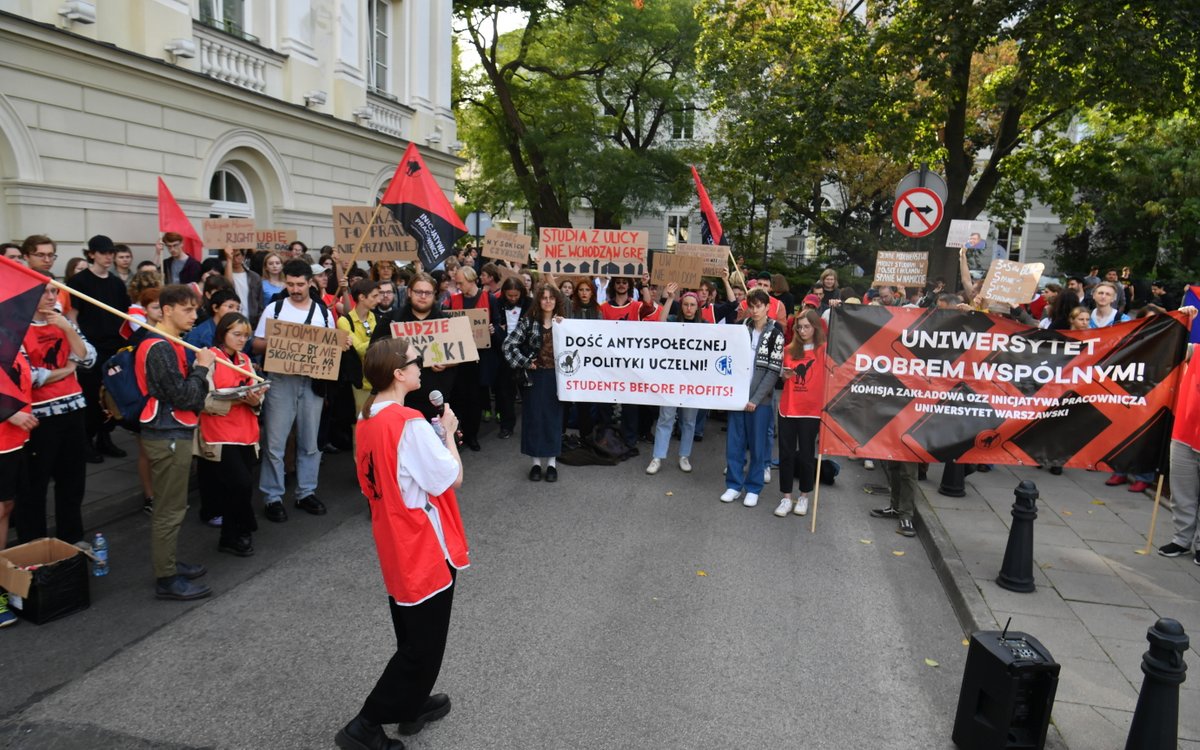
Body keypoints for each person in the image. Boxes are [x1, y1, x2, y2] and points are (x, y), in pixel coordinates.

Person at [340, 337, 465, 750]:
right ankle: (366, 724)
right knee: (422, 647)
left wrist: (432, 440)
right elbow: (451, 478)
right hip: (421, 545)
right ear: (398, 373)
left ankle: (411, 705)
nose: (420, 367)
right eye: (415, 362)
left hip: (393, 540)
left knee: (411, 632)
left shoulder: (368, 419)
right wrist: (446, 434)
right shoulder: (407, 423)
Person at [139, 284, 215, 600]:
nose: (193, 316)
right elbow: (184, 395)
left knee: (173, 506)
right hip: (166, 433)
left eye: (195, 309)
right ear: (167, 310)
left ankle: (168, 562)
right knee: (169, 509)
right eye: (187, 309)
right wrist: (201, 368)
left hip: (172, 432)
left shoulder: (168, 342)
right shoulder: (158, 347)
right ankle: (166, 578)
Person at [254, 259, 343, 523]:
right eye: (290, 284)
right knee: (275, 441)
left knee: (309, 441)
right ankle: (272, 496)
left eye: (300, 284)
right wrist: (282, 342)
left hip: (312, 381)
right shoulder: (274, 309)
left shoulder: (323, 313)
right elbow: (257, 344)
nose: (295, 289)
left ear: (309, 283)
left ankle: (306, 491)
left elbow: (332, 348)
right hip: (281, 380)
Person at [198, 314, 265, 558]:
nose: (242, 339)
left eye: (245, 335)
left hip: (246, 432)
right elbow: (202, 400)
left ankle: (233, 534)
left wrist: (255, 400)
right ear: (223, 332)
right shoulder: (209, 358)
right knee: (239, 483)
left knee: (241, 486)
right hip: (220, 434)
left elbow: (257, 395)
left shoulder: (246, 359)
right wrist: (237, 400)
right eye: (236, 334)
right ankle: (239, 528)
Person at [67, 234, 131, 462]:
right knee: (92, 397)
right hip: (91, 350)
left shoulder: (115, 283)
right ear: (92, 254)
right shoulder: (79, 282)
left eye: (110, 253)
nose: (108, 257)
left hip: (114, 348)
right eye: (103, 253)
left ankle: (105, 437)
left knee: (112, 396)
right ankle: (86, 441)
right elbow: (72, 317)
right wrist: (80, 348)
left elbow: (125, 316)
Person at [721, 289, 783, 508]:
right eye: (752, 306)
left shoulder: (776, 332)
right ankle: (734, 485)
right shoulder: (741, 328)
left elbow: (773, 371)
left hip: (760, 401)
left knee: (758, 446)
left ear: (767, 307)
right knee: (735, 444)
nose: (755, 310)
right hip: (737, 396)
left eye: (759, 306)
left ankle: (754, 487)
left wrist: (755, 399)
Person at [504, 284, 567, 481]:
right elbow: (508, 344)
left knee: (553, 420)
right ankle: (536, 464)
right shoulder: (529, 322)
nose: (548, 301)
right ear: (538, 301)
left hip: (557, 377)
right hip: (535, 377)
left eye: (551, 298)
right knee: (534, 419)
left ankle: (551, 464)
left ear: (557, 301)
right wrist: (524, 362)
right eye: (544, 297)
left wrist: (565, 326)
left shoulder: (564, 323)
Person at [646, 287, 705, 476]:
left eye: (692, 305)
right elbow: (659, 323)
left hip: (692, 382)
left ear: (697, 308)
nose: (689, 308)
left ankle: (684, 455)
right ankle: (657, 457)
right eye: (686, 305)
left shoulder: (704, 325)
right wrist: (670, 299)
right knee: (666, 418)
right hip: (671, 380)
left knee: (689, 421)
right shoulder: (672, 321)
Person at [774, 309, 826, 517]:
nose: (803, 331)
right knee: (785, 455)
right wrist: (783, 375)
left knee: (806, 456)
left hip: (811, 411)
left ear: (815, 327)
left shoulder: (824, 349)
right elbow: (781, 375)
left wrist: (838, 309)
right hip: (788, 408)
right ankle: (786, 497)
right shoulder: (789, 349)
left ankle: (804, 496)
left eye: (807, 326)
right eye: (799, 327)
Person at [1159, 312, 1200, 562]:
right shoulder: (1195, 351)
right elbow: (1166, 345)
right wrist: (1179, 320)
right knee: (1182, 492)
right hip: (1185, 433)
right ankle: (1181, 539)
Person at [447, 267, 490, 451]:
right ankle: (457, 434)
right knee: (457, 399)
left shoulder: (489, 299)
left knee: (474, 399)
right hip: (457, 359)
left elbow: (496, 321)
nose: (458, 286)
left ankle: (472, 435)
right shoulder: (453, 300)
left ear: (472, 280)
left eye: (461, 283)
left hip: (478, 359)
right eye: (456, 283)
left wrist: (492, 330)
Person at [490, 277, 528, 440]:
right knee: (505, 394)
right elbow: (492, 326)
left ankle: (531, 426)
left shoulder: (530, 303)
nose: (513, 298)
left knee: (528, 393)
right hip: (503, 354)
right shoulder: (497, 304)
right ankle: (507, 426)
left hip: (524, 353)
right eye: (509, 295)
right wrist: (495, 330)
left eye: (516, 296)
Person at [338, 279, 381, 415]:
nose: (378, 300)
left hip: (380, 382)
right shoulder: (344, 321)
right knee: (362, 421)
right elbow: (360, 350)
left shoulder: (377, 318)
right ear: (362, 297)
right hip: (360, 383)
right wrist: (380, 337)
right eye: (374, 296)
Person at [222, 246, 264, 326]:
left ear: (243, 255)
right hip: (231, 321)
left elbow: (260, 302)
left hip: (251, 322)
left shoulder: (254, 277)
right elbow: (227, 285)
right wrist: (229, 260)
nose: (235, 259)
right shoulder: (223, 275)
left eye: (237, 255)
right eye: (232, 256)